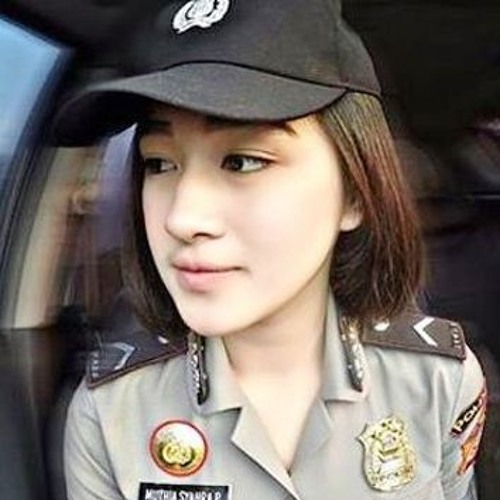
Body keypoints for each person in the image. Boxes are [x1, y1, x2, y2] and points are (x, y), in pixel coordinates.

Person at [53, 0, 486, 498]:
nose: (181, 218)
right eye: (159, 164)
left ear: (354, 193)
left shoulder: (437, 381)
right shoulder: (110, 412)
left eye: (242, 161)